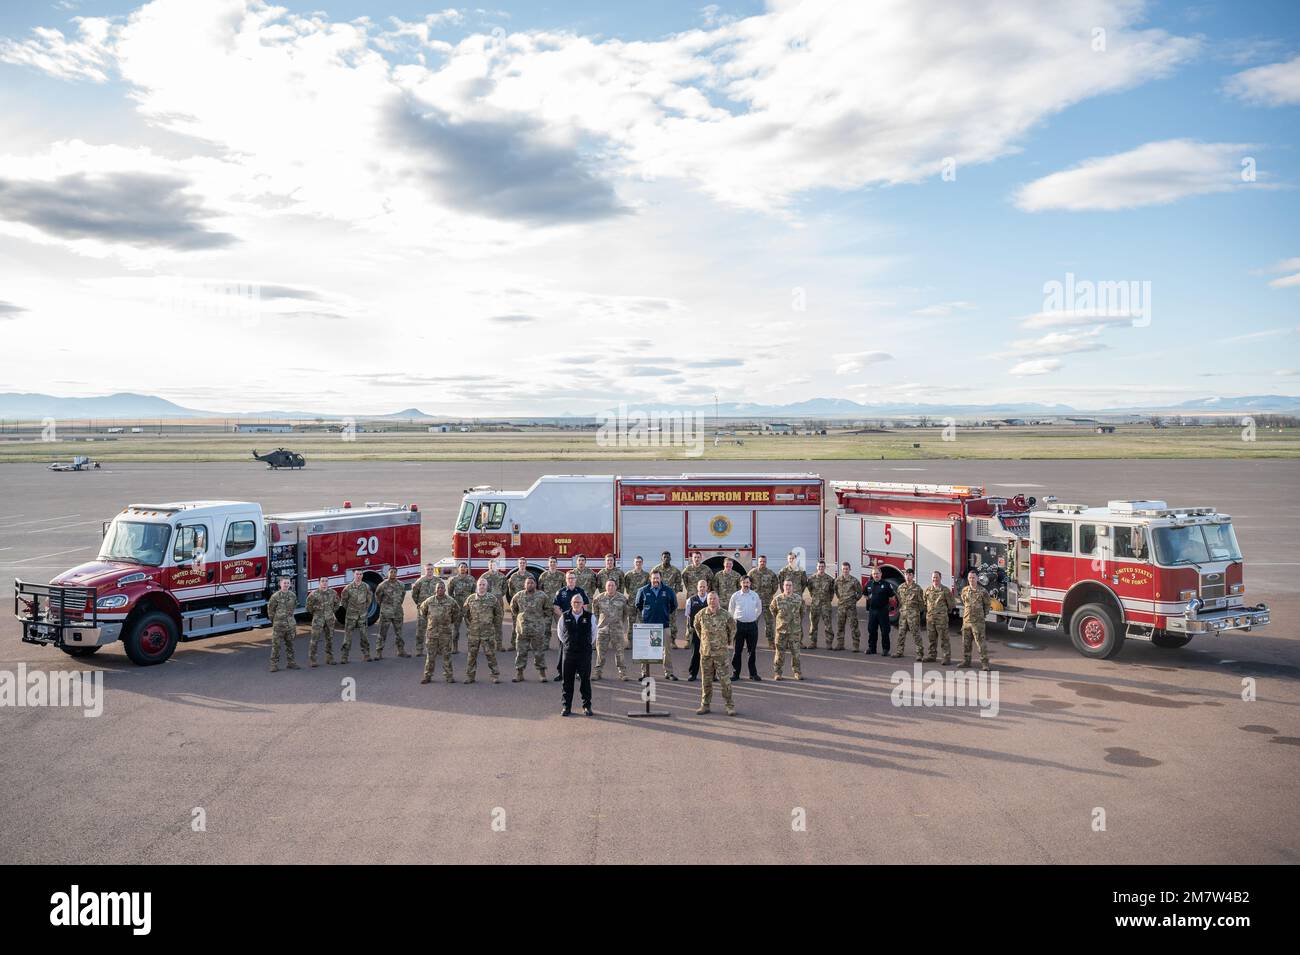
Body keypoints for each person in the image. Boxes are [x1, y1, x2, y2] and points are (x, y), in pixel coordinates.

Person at [692, 592, 737, 716]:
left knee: (725, 681)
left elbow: (732, 629)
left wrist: (727, 642)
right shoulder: (700, 615)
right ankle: (705, 705)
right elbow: (697, 628)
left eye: (714, 599)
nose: (712, 601)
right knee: (706, 681)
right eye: (710, 599)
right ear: (707, 601)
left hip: (721, 653)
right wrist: (704, 641)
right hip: (706, 653)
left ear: (718, 600)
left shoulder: (725, 615)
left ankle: (729, 705)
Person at [634, 568, 678, 681]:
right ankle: (644, 673)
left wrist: (664, 613)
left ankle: (669, 673)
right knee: (645, 651)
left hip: (664, 625)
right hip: (648, 626)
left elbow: (674, 605)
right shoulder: (643, 590)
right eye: (653, 578)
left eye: (657, 578)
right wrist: (647, 615)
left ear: (661, 578)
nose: (655, 580)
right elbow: (638, 605)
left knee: (666, 651)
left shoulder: (668, 590)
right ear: (650, 579)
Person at [558, 594, 596, 716]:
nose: (577, 604)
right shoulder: (564, 616)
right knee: (567, 681)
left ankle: (587, 706)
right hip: (569, 653)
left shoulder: (590, 617)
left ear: (582, 604)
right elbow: (560, 633)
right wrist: (569, 643)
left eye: (579, 602)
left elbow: (594, 633)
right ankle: (566, 707)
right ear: (571, 603)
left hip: (584, 653)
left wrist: (585, 645)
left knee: (585, 681)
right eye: (574, 602)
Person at [509, 574, 551, 682]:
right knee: (521, 652)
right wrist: (521, 618)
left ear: (535, 584)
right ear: (524, 584)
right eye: (528, 583)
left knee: (539, 652)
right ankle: (519, 673)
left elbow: (548, 609)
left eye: (532, 583)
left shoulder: (542, 595)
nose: (530, 584)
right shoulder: (518, 595)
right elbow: (513, 608)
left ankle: (542, 674)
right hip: (523, 630)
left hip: (537, 630)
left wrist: (540, 619)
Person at [551, 571, 590, 682]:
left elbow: (585, 606)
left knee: (578, 649)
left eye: (573, 578)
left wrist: (580, 618)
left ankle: (578, 672)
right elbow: (556, 607)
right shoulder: (561, 592)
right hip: (566, 624)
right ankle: (561, 673)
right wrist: (566, 616)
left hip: (578, 623)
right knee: (563, 647)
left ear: (575, 579)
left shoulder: (581, 591)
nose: (571, 580)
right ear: (566, 579)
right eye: (569, 578)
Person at [463, 577, 503, 684]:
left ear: (487, 586)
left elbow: (498, 614)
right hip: (474, 633)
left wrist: (494, 626)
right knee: (471, 655)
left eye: (484, 584)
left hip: (488, 633)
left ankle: (495, 675)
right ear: (477, 586)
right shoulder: (470, 599)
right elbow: (465, 614)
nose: (482, 586)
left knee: (491, 655)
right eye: (480, 584)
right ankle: (470, 676)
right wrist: (470, 626)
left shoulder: (492, 599)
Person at [419, 580, 460, 684]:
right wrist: (430, 621)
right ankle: (427, 676)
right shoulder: (429, 601)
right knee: (430, 656)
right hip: (432, 633)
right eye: (438, 588)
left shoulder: (451, 601)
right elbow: (422, 611)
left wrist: (449, 622)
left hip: (445, 633)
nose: (440, 589)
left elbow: (456, 613)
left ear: (445, 589)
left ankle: (449, 676)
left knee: (447, 655)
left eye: (442, 588)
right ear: (435, 590)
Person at [593, 579, 630, 681]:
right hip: (603, 630)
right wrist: (601, 622)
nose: (610, 587)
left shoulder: (622, 598)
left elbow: (625, 613)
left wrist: (619, 623)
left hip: (617, 630)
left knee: (620, 652)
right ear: (605, 587)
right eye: (608, 585)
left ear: (616, 587)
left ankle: (622, 673)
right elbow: (595, 612)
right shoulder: (599, 598)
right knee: (600, 653)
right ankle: (598, 672)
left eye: (612, 585)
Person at [728, 574, 762, 680]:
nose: (746, 584)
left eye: (747, 582)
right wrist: (735, 621)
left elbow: (759, 609)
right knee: (737, 651)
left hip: (752, 626)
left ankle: (753, 674)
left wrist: (752, 617)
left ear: (750, 583)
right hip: (739, 626)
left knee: (752, 651)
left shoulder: (754, 595)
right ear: (740, 583)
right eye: (744, 582)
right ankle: (735, 674)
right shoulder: (735, 596)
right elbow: (731, 610)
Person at [770, 579, 804, 681]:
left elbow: (802, 612)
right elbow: (773, 610)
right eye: (786, 585)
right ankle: (778, 673)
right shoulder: (778, 599)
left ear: (793, 587)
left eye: (790, 585)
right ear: (783, 587)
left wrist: (796, 622)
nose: (788, 587)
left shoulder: (798, 599)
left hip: (794, 631)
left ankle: (797, 672)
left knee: (796, 653)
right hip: (781, 631)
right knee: (779, 653)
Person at [960, 571, 993, 671]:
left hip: (978, 622)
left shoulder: (983, 591)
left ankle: (985, 664)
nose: (971, 580)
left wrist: (982, 615)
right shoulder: (965, 590)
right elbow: (964, 601)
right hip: (966, 621)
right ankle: (966, 661)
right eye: (970, 578)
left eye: (973, 578)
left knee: (981, 644)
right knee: (966, 643)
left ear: (977, 579)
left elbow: (987, 605)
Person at [373, 566, 408, 660]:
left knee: (399, 633)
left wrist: (397, 606)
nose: (393, 573)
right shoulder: (382, 585)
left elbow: (402, 597)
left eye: (394, 572)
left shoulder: (401, 585)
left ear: (397, 573)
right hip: (386, 613)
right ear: (388, 573)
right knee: (382, 633)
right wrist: (384, 606)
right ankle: (378, 652)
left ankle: (401, 651)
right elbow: (377, 597)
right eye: (391, 572)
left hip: (397, 613)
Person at [922, 571, 957, 665]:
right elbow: (924, 603)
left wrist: (942, 613)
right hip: (930, 619)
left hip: (942, 620)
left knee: (944, 639)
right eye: (933, 577)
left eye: (937, 577)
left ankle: (946, 658)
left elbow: (951, 605)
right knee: (931, 639)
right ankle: (931, 656)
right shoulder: (927, 590)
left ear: (940, 578)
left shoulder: (945, 590)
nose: (935, 579)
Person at [891, 568, 925, 661]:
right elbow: (899, 601)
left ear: (913, 576)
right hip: (903, 615)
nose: (908, 576)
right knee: (901, 634)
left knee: (916, 634)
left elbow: (921, 604)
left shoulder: (917, 588)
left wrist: (916, 612)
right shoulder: (900, 587)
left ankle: (919, 654)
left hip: (913, 615)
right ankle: (899, 652)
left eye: (910, 575)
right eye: (906, 574)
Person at [339, 570, 372, 664]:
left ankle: (366, 654)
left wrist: (364, 608)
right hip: (351, 615)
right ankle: (344, 656)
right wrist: (350, 609)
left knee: (364, 636)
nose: (358, 576)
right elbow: (344, 601)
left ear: (362, 576)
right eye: (357, 574)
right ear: (354, 575)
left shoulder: (366, 587)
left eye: (360, 574)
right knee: (347, 637)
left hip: (362, 615)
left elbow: (369, 599)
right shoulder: (348, 588)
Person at [267, 577, 299, 672]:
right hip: (279, 625)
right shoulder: (275, 596)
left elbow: (294, 607)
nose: (286, 585)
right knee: (276, 646)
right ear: (280, 584)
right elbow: (270, 611)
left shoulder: (293, 595)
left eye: (288, 583)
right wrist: (275, 621)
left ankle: (291, 663)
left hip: (290, 625)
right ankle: (274, 665)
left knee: (290, 645)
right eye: (284, 583)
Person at [305, 576, 338, 667]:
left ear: (328, 582)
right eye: (322, 581)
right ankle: (313, 660)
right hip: (318, 620)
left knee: (330, 640)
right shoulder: (313, 594)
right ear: (319, 582)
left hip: (329, 620)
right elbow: (308, 607)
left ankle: (329, 658)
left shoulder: (333, 593)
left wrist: (331, 612)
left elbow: (337, 604)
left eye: (326, 581)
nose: (324, 583)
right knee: (314, 640)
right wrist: (316, 613)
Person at [748, 555, 779, 649]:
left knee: (769, 622)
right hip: (755, 602)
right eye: (761, 561)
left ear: (766, 562)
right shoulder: (752, 573)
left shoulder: (771, 573)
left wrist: (769, 594)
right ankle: (752, 642)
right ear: (758, 562)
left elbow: (775, 585)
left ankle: (771, 642)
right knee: (753, 623)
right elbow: (747, 583)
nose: (762, 563)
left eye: (764, 561)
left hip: (767, 601)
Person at [863, 566, 895, 655]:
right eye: (874, 574)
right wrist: (870, 599)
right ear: (872, 575)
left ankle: (885, 650)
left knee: (885, 631)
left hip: (883, 611)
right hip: (872, 611)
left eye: (877, 573)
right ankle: (872, 648)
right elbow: (865, 594)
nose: (876, 575)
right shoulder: (869, 584)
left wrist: (884, 603)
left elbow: (892, 597)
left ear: (881, 574)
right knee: (872, 630)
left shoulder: (886, 584)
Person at [654, 551, 683, 649]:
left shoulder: (675, 571)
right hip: (658, 600)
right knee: (657, 620)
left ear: (670, 558)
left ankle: (673, 641)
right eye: (664, 557)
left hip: (670, 600)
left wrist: (672, 593)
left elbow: (679, 584)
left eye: (668, 557)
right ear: (661, 558)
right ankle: (657, 641)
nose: (666, 558)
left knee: (672, 620)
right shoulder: (656, 569)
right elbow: (651, 582)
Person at [409, 563, 438, 658]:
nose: (429, 571)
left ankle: (434, 649)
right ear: (425, 570)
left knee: (434, 630)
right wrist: (419, 604)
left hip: (434, 609)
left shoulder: (438, 581)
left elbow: (441, 594)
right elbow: (414, 594)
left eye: (431, 569)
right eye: (428, 569)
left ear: (433, 570)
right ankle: (419, 649)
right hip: (423, 609)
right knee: (420, 630)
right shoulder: (420, 581)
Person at [447, 562, 476, 653]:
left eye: (464, 567)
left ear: (467, 569)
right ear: (458, 569)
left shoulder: (471, 579)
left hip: (468, 607)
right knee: (455, 628)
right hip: (457, 607)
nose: (463, 568)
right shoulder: (453, 580)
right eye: (461, 567)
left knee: (470, 628)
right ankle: (455, 648)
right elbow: (450, 593)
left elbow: (473, 593)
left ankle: (470, 648)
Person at [684, 579, 710, 681]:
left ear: (707, 587)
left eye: (704, 586)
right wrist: (688, 632)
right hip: (696, 632)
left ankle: (711, 675)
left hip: (709, 632)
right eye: (700, 587)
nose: (702, 588)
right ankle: (693, 674)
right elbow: (688, 616)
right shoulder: (691, 600)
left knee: (709, 654)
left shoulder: (711, 599)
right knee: (695, 653)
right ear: (697, 588)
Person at [805, 559, 835, 649]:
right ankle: (813, 642)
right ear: (817, 567)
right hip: (815, 605)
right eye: (819, 566)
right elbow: (810, 589)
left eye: (822, 566)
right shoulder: (811, 578)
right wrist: (815, 598)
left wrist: (828, 600)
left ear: (825, 567)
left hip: (826, 605)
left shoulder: (830, 579)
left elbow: (832, 591)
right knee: (813, 624)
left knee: (828, 625)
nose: (821, 568)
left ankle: (829, 643)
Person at [481, 559, 510, 651]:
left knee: (498, 624)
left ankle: (499, 645)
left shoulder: (502, 577)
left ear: (497, 566)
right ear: (488, 566)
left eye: (494, 565)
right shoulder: (484, 576)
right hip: (487, 602)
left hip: (498, 602)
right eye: (490, 565)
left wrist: (499, 595)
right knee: (488, 624)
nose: (492, 567)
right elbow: (480, 589)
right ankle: (489, 645)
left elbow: (505, 588)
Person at [505, 558, 534, 651]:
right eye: (520, 563)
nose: (522, 564)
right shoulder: (513, 576)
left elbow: (533, 589)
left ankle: (527, 645)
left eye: (523, 563)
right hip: (517, 604)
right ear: (518, 564)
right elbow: (510, 591)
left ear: (526, 564)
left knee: (528, 625)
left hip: (528, 604)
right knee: (515, 625)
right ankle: (514, 645)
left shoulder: (530, 576)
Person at [834, 562, 863, 651]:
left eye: (847, 569)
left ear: (850, 569)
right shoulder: (837, 580)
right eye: (843, 569)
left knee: (854, 626)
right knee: (840, 626)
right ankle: (840, 644)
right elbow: (836, 591)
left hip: (851, 608)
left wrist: (854, 600)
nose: (845, 570)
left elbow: (860, 592)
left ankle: (855, 645)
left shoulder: (854, 581)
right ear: (842, 570)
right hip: (841, 608)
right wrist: (841, 599)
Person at [621, 555, 649, 646]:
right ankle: (630, 641)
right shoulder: (628, 575)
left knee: (643, 622)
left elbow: (648, 588)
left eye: (640, 562)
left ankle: (643, 641)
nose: (638, 563)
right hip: (632, 602)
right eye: (636, 562)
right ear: (634, 563)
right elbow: (627, 587)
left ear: (642, 563)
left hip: (642, 603)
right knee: (631, 622)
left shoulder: (646, 575)